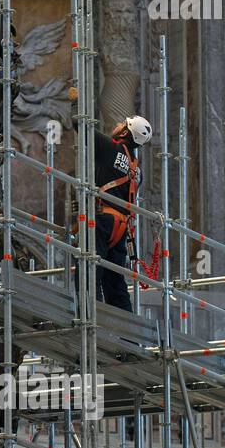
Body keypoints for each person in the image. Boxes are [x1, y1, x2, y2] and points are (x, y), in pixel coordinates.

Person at [71, 88, 151, 312]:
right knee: (115, 282)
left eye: (122, 123)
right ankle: (128, 336)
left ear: (126, 132)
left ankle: (89, 317)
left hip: (104, 221)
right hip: (121, 229)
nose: (117, 124)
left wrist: (76, 102)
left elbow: (82, 127)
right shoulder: (137, 171)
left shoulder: (111, 149)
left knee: (89, 266)